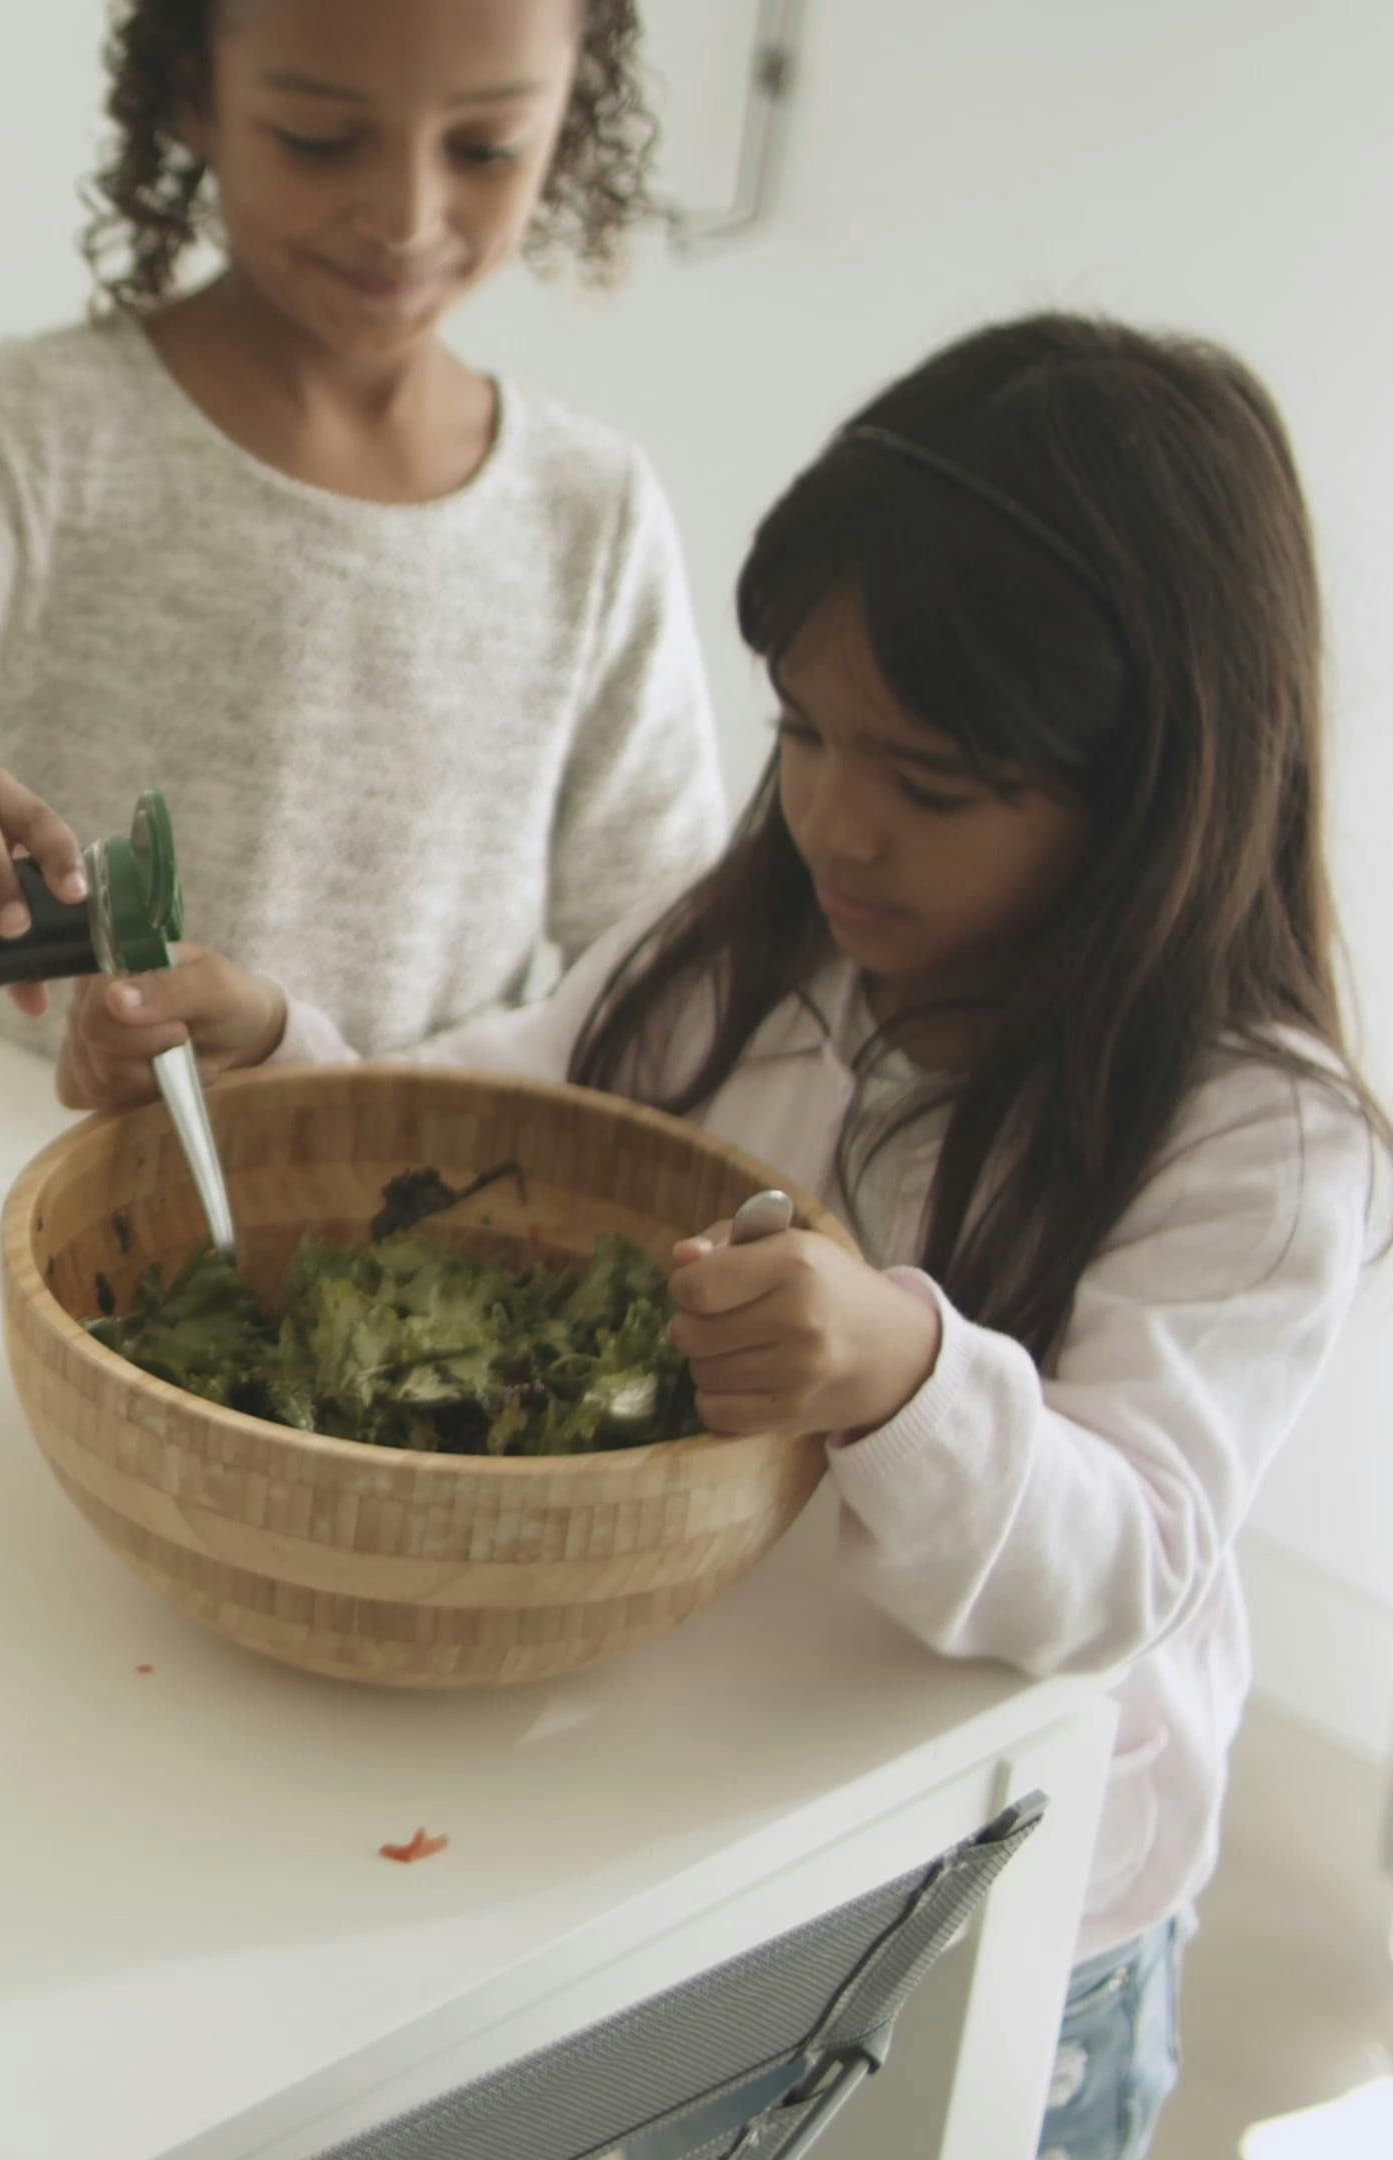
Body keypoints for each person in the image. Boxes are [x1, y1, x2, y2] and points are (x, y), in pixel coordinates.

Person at [67, 314, 1388, 2160]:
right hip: (705, 1806)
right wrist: (282, 1069)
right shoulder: (761, 932)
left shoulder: (1262, 1134)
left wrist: (902, 1372)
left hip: (1006, 1909)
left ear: (1148, 796)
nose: (835, 822)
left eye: (932, 787)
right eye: (804, 733)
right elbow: (514, 1135)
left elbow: (1125, 1566)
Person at [0, 0, 724, 1057]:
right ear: (195, 94)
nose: (405, 214)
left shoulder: (590, 513)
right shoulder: (54, 430)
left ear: (570, 115)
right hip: (2, 1183)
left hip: (392, 1207)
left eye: (485, 147)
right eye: (319, 140)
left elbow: (666, 975)